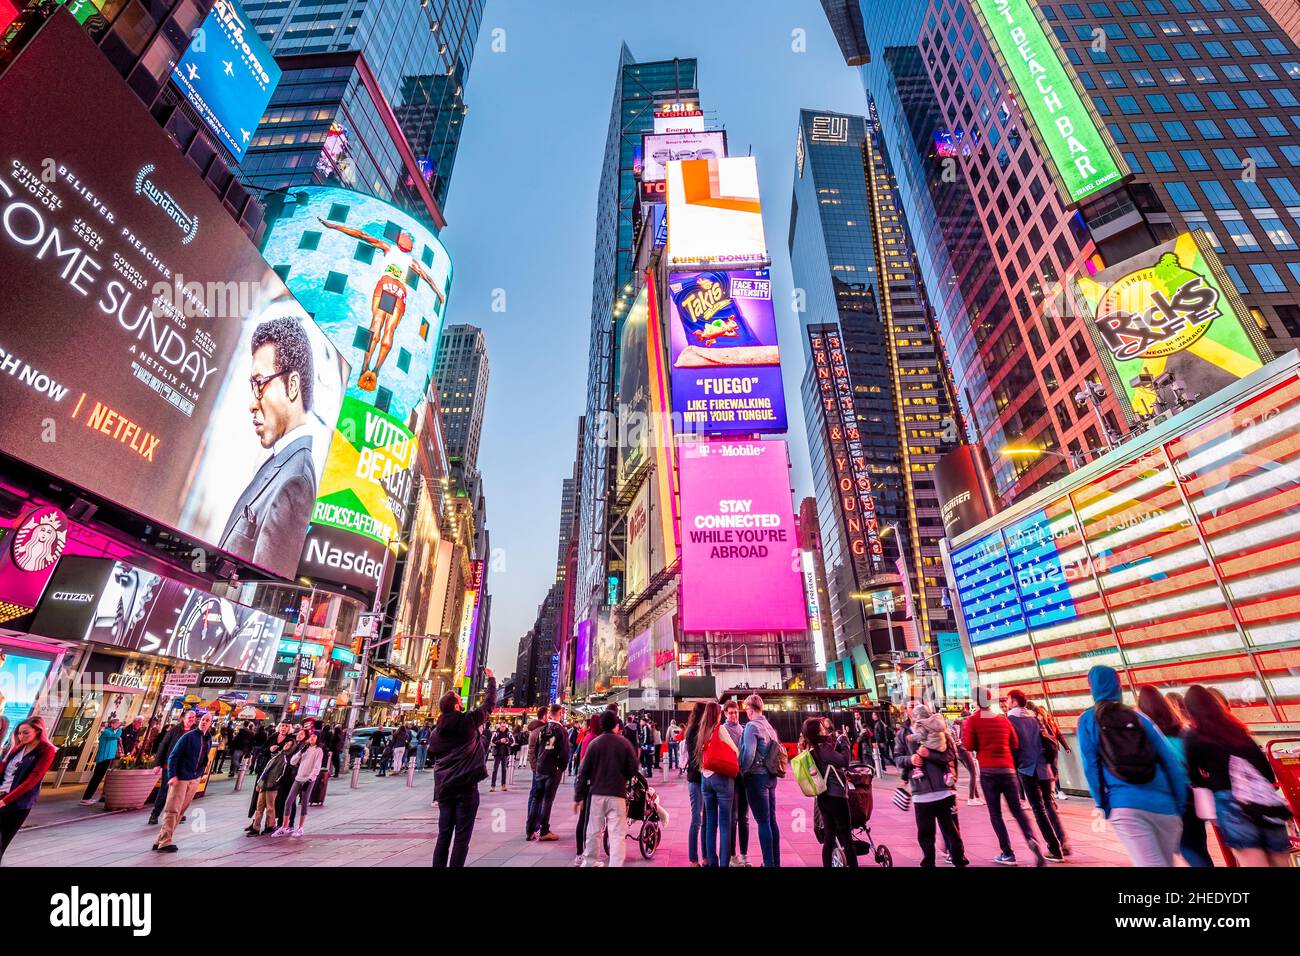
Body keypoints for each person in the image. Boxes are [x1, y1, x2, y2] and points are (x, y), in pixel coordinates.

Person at [217, 317, 320, 576]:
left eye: (260, 384)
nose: (252, 403)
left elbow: (260, 586)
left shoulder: (295, 480)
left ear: (293, 385)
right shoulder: (282, 461)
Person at [1078, 665, 1188, 867]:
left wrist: (1102, 804)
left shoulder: (1088, 720)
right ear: (1118, 686)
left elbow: (1091, 767)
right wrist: (1179, 802)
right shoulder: (1140, 717)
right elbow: (1169, 761)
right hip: (1165, 805)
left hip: (1125, 805)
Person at [1184, 684, 1291, 867]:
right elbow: (1266, 771)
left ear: (1190, 710)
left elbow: (1194, 776)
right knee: (1281, 864)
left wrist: (1213, 782)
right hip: (1266, 803)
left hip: (1231, 804)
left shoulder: (1193, 736)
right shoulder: (1237, 729)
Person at [962, 688, 1046, 865]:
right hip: (1008, 771)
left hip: (988, 772)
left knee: (996, 813)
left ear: (976, 701)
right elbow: (1014, 743)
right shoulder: (1002, 719)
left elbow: (968, 745)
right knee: (1017, 811)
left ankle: (1007, 853)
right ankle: (1032, 839)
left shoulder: (973, 720)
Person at [1137, 686, 1212, 867]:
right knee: (1197, 847)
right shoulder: (1184, 732)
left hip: (1168, 796)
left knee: (1186, 848)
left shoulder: (1145, 736)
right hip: (1191, 796)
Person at [428, 670, 496, 867]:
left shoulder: (435, 733)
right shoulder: (467, 721)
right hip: (466, 787)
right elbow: (489, 704)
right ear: (457, 705)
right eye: (459, 698)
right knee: (461, 838)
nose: (462, 700)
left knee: (443, 836)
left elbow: (434, 755)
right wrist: (491, 679)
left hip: (444, 790)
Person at [902, 705, 968, 868]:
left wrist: (929, 754)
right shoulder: (903, 734)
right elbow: (898, 757)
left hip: (944, 790)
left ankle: (958, 859)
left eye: (914, 706)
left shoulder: (941, 730)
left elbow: (951, 755)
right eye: (909, 707)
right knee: (925, 833)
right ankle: (928, 862)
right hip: (921, 792)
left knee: (952, 830)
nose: (912, 710)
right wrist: (910, 760)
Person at [1006, 690, 1069, 861]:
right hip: (1043, 766)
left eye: (1008, 699)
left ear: (1014, 702)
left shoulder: (1010, 720)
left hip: (1027, 768)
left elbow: (1012, 745)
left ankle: (1054, 848)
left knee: (1038, 808)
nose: (1006, 702)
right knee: (1048, 804)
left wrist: (1016, 763)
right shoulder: (1035, 718)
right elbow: (1047, 740)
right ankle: (1061, 841)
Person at [573, 710, 639, 867]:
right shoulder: (624, 744)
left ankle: (589, 862)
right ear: (616, 725)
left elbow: (583, 771)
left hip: (596, 794)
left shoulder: (594, 744)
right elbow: (633, 769)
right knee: (617, 834)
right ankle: (615, 864)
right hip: (617, 794)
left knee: (593, 831)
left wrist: (579, 796)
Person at [800, 718, 858, 868]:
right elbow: (845, 760)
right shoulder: (823, 749)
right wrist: (845, 740)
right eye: (821, 728)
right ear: (817, 732)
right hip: (836, 798)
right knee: (846, 839)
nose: (825, 729)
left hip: (823, 798)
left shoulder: (812, 749)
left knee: (829, 837)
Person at [152, 712, 214, 854]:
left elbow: (204, 758)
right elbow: (173, 756)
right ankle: (165, 842)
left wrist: (200, 773)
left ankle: (160, 840)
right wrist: (172, 775)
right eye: (202, 719)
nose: (204, 722)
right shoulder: (189, 736)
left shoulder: (208, 739)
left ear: (211, 723)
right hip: (181, 778)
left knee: (181, 811)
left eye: (207, 720)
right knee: (172, 809)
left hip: (194, 778)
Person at [0, 717, 57, 865]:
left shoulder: (46, 750)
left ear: (38, 731)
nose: (21, 736)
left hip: (17, 803)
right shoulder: (17, 746)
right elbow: (3, 768)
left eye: (25, 733)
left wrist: (6, 800)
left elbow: (32, 780)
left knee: (2, 842)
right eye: (19, 733)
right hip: (1, 794)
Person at [737, 694, 782, 867]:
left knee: (763, 822)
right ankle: (774, 862)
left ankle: (768, 863)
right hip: (771, 777)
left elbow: (748, 754)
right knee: (772, 820)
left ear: (750, 709)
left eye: (746, 709)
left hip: (756, 777)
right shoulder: (769, 726)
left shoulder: (751, 726)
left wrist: (741, 771)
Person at [696, 701, 737, 868]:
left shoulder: (702, 731)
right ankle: (724, 864)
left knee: (710, 824)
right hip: (722, 779)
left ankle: (712, 862)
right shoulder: (720, 729)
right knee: (725, 825)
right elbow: (735, 750)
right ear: (719, 714)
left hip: (706, 779)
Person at [526, 704, 570, 842]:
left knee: (537, 798)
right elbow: (564, 753)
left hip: (540, 768)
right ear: (560, 713)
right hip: (552, 769)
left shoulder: (541, 730)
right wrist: (561, 768)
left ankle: (530, 829)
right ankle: (544, 830)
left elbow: (537, 749)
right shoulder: (562, 731)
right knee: (547, 800)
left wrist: (538, 764)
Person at [275, 728, 324, 837]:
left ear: (318, 739)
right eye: (311, 736)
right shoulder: (304, 748)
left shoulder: (318, 750)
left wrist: (310, 779)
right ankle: (285, 826)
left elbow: (317, 767)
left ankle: (301, 828)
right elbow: (292, 761)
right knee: (288, 802)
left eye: (314, 736)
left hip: (308, 780)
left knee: (304, 803)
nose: (311, 738)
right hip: (298, 778)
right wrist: (300, 753)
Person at [148, 714, 191, 825]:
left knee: (180, 793)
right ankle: (155, 814)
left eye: (193, 717)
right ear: (183, 719)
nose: (191, 720)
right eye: (189, 717)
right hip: (170, 766)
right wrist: (157, 763)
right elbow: (163, 745)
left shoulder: (194, 732)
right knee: (164, 791)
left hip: (184, 768)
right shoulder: (174, 730)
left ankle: (176, 814)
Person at [723, 699, 751, 866]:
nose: (734, 715)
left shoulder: (743, 729)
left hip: (744, 777)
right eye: (731, 712)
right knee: (732, 818)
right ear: (725, 714)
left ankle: (744, 855)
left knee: (744, 818)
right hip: (730, 777)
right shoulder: (723, 730)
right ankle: (732, 856)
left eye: (736, 712)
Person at [574, 715, 606, 859]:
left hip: (586, 782)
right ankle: (582, 852)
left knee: (585, 818)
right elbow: (586, 764)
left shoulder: (589, 737)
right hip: (589, 783)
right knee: (586, 819)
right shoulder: (593, 739)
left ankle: (581, 851)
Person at [247, 739, 292, 837]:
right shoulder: (278, 755)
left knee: (270, 808)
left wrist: (274, 783)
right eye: (286, 744)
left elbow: (282, 774)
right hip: (264, 785)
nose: (286, 745)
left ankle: (270, 826)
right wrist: (259, 784)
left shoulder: (285, 758)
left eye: (288, 745)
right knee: (259, 807)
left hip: (272, 786)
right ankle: (256, 827)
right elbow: (265, 770)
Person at [682, 702, 706, 867]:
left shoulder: (698, 729)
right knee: (697, 820)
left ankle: (705, 856)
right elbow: (694, 757)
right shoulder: (693, 731)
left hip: (703, 778)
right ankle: (693, 859)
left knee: (706, 821)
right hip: (696, 779)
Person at [80, 717, 123, 805]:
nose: (119, 725)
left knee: (98, 778)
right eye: (117, 724)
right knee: (96, 778)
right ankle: (86, 798)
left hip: (107, 758)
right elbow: (116, 736)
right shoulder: (107, 732)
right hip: (103, 758)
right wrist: (120, 730)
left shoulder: (110, 732)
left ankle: (88, 798)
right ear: (112, 724)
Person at [489, 723, 513, 792]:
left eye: (504, 726)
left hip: (505, 753)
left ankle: (503, 785)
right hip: (497, 753)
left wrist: (507, 742)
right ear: (500, 726)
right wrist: (500, 741)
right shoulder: (496, 733)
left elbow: (512, 742)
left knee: (504, 770)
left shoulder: (509, 733)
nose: (503, 728)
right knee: (495, 770)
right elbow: (492, 742)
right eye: (502, 726)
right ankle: (493, 786)